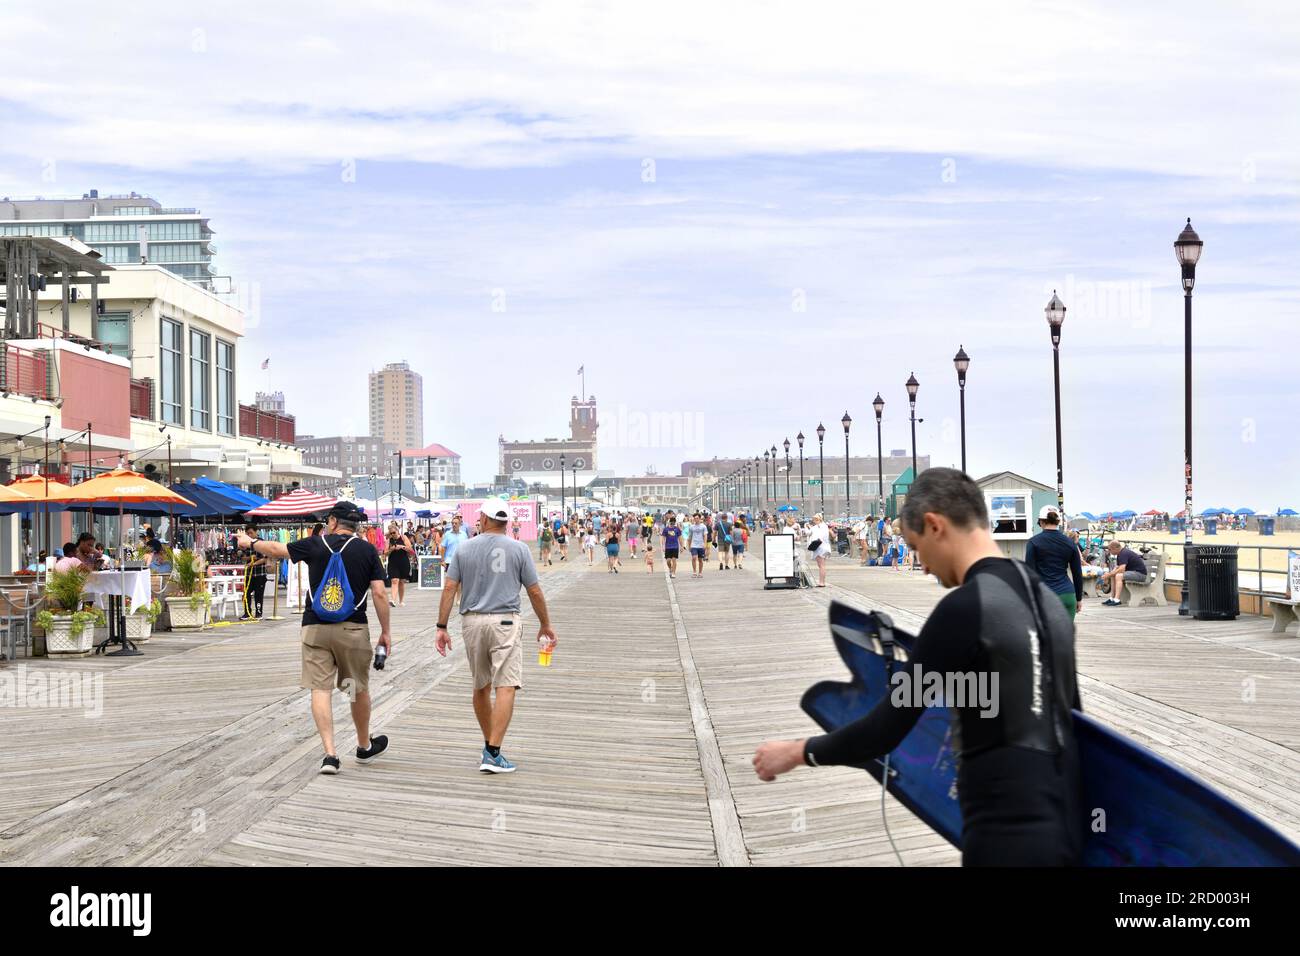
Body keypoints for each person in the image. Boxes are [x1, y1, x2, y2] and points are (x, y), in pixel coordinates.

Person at [752, 468, 1083, 866]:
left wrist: (797, 752)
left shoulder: (965, 610)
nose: (922, 565)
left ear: (934, 525)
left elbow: (886, 729)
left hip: (1003, 835)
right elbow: (1073, 720)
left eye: (915, 546)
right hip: (1067, 827)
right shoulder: (1048, 603)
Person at [236, 502, 391, 775]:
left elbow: (276, 550)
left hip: (316, 629)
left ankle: (330, 754)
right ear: (355, 525)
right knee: (355, 688)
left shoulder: (315, 544)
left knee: (320, 689)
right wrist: (385, 632)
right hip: (352, 630)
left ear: (332, 521)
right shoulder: (367, 550)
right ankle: (364, 746)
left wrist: (251, 542)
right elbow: (379, 593)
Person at [435, 499, 557, 774]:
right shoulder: (519, 549)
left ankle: (491, 746)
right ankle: (492, 751)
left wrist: (441, 626)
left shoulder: (465, 548)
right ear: (505, 521)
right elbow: (534, 591)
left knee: (481, 686)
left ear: (485, 519)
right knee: (506, 684)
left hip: (473, 622)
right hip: (505, 620)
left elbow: (450, 588)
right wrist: (545, 624)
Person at [1024, 506, 1084, 618]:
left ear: (1041, 522)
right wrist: (1078, 599)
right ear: (1058, 521)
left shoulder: (1033, 542)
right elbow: (1077, 574)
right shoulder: (1070, 543)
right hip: (1067, 595)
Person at [1100, 540, 1148, 607]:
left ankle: (1117, 600)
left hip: (1140, 575)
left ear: (1115, 548)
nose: (1109, 551)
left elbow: (1122, 569)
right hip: (1134, 573)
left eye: (1110, 549)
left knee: (1118, 576)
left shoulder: (1123, 554)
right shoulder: (1121, 553)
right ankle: (1112, 598)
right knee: (1113, 575)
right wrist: (1109, 574)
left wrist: (1109, 574)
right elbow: (1117, 568)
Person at [385, 521, 414, 608]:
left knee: (401, 582)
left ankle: (401, 601)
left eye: (394, 532)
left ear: (397, 531)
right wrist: (392, 549)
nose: (392, 534)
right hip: (393, 562)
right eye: (391, 533)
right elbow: (385, 553)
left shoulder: (403, 537)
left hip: (403, 562)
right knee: (394, 580)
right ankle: (393, 600)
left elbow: (411, 550)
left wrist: (402, 547)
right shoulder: (388, 540)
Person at [806, 514, 833, 587]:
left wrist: (807, 528)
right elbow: (808, 533)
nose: (814, 521)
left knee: (821, 565)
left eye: (816, 520)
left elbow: (811, 534)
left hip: (819, 547)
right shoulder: (823, 526)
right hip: (824, 547)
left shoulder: (820, 527)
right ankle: (822, 581)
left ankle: (822, 582)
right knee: (822, 565)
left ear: (819, 519)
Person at [688, 513, 709, 578]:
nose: (696, 519)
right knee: (694, 558)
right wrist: (689, 546)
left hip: (701, 545)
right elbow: (690, 537)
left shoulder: (703, 526)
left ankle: (700, 572)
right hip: (694, 545)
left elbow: (705, 536)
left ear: (700, 518)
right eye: (695, 518)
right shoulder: (691, 527)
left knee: (700, 560)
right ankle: (694, 572)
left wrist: (705, 544)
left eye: (697, 518)